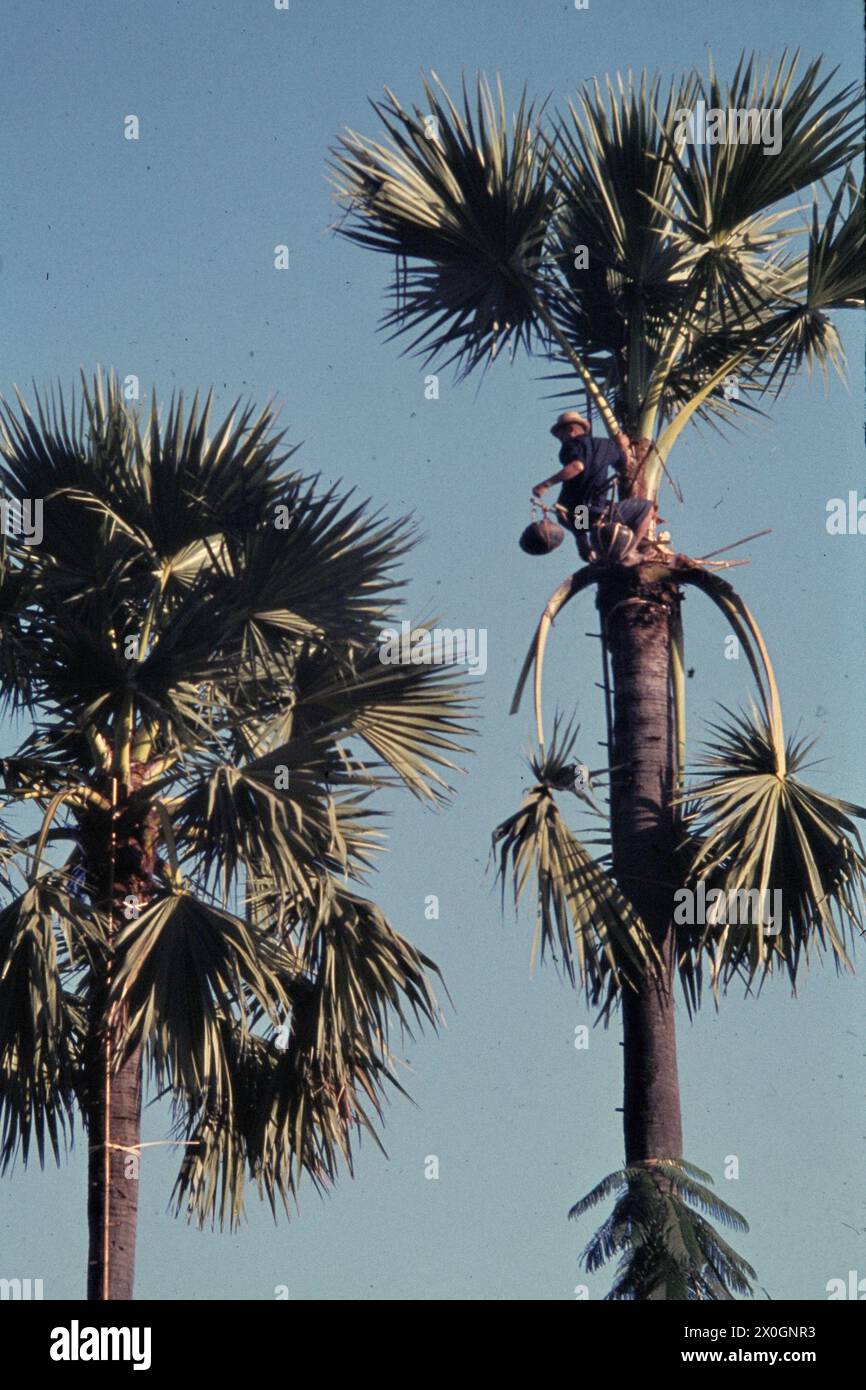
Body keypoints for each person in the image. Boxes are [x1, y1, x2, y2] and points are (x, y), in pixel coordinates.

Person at [532, 410, 654, 561]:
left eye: (560, 435)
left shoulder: (570, 445)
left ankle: (584, 544)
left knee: (580, 527)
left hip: (577, 510)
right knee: (647, 507)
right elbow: (625, 463)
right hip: (600, 512)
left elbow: (577, 466)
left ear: (571, 430)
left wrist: (545, 485)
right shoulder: (607, 445)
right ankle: (630, 551)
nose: (560, 440)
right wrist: (623, 445)